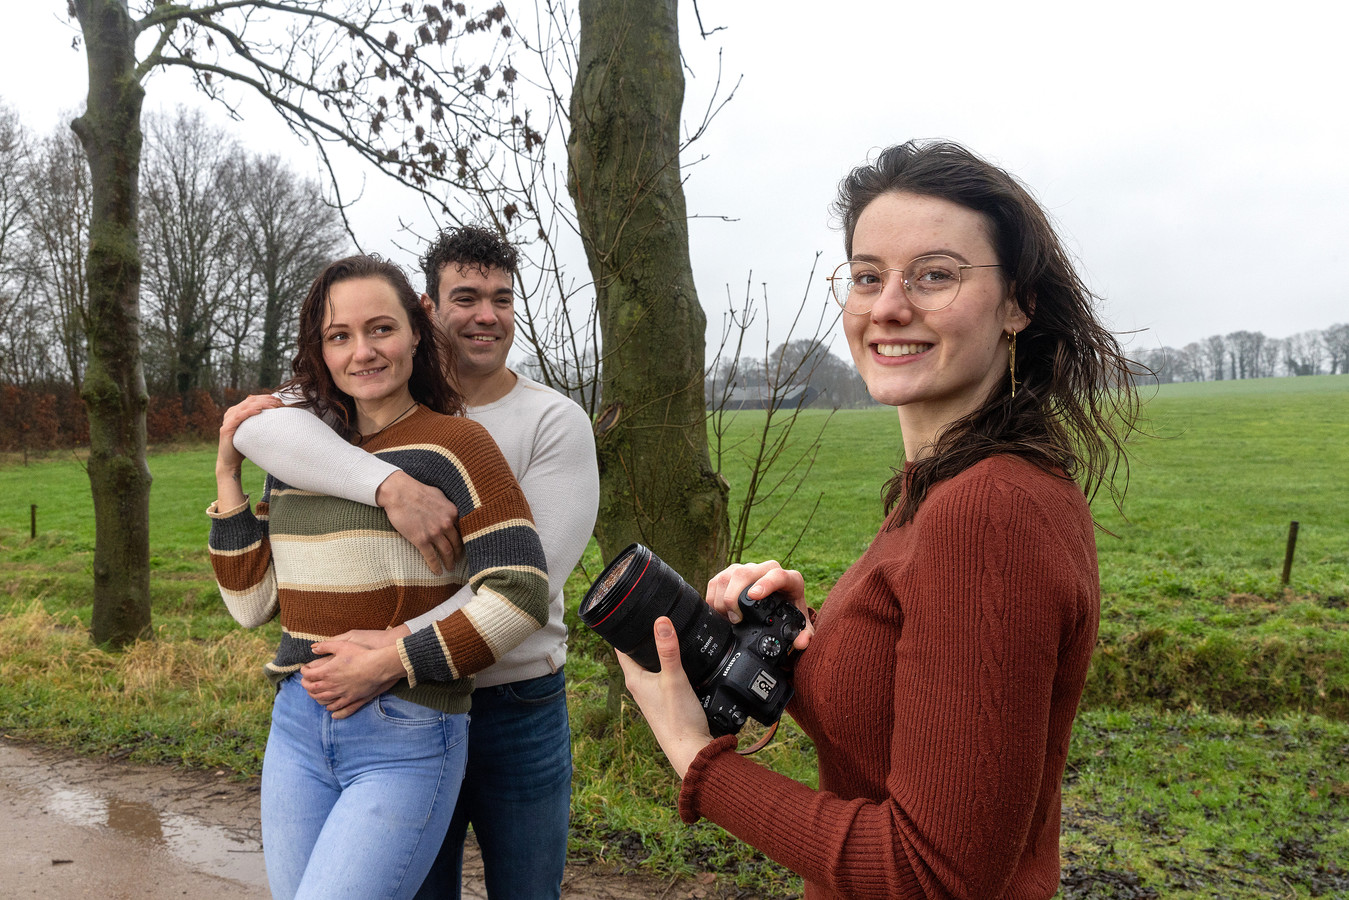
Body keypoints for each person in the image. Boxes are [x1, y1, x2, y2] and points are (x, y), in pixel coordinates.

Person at [618, 141, 1142, 899]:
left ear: (1018, 304)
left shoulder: (986, 511)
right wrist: (799, 639)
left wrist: (697, 759)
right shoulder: (945, 489)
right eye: (867, 276)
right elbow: (905, 731)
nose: (889, 305)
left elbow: (933, 875)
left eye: (935, 275)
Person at [228, 226, 600, 900]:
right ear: (427, 313)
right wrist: (390, 487)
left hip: (509, 696)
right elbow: (254, 426)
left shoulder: (546, 422)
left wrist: (391, 652)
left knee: (525, 888)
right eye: (465, 296)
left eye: (501, 299)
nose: (486, 314)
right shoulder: (340, 416)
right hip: (389, 698)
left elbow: (529, 581)